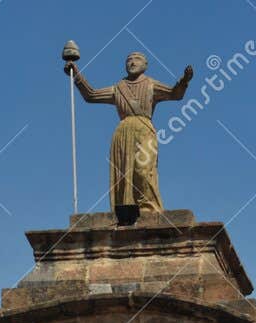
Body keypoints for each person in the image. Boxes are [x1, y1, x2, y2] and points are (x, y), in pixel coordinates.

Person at [67, 52, 193, 222]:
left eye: (137, 59)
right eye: (129, 60)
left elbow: (174, 94)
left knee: (143, 169)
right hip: (123, 131)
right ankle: (126, 210)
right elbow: (91, 95)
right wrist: (76, 76)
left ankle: (148, 207)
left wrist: (184, 81)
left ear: (145, 65)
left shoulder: (151, 84)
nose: (132, 62)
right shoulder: (118, 88)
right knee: (124, 173)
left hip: (144, 129)